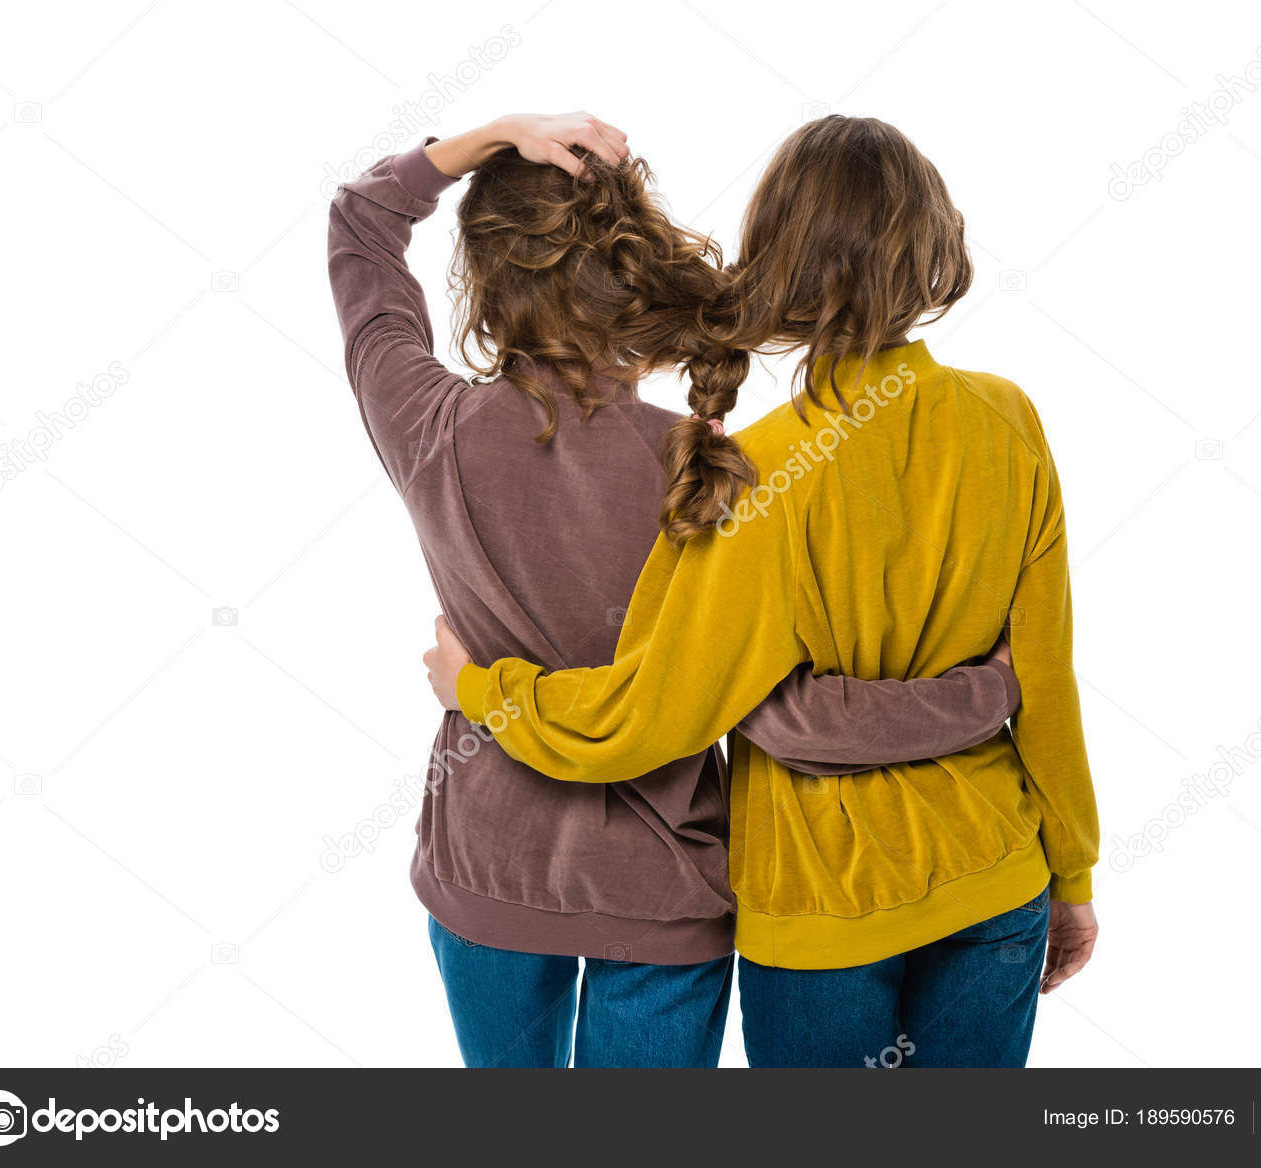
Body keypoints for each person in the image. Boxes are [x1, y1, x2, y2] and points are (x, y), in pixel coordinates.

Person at [328, 112, 1021, 1068]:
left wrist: (490, 139)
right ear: (632, 278)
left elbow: (359, 226)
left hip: (488, 867)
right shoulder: (715, 465)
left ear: (482, 284)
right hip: (667, 890)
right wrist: (987, 692)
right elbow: (781, 711)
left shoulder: (429, 426)